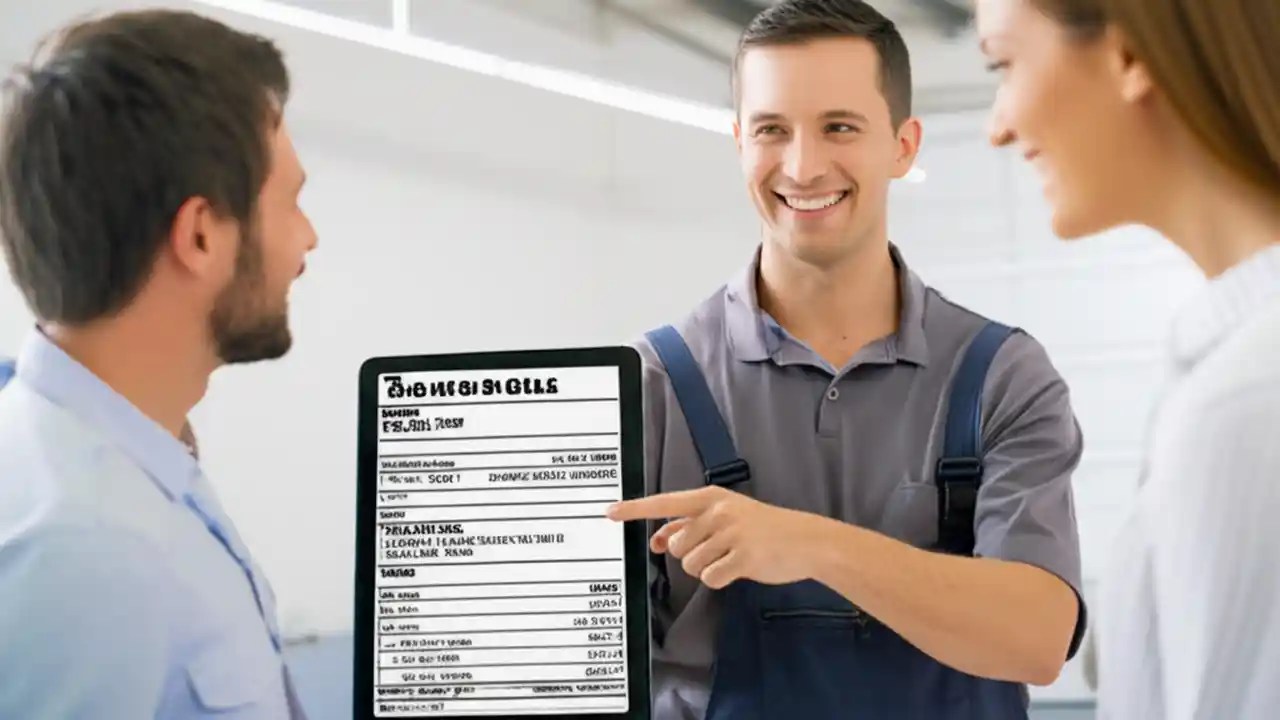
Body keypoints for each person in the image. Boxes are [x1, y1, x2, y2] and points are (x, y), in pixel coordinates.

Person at [606, 1, 1086, 718]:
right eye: (772, 130)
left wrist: (807, 544)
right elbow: (581, 659)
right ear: (740, 142)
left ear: (903, 145)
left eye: (839, 127)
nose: (802, 166)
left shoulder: (1001, 376)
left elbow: (1038, 638)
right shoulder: (648, 384)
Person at [0, 9, 317, 719]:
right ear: (200, 235)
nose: (309, 238)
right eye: (292, 203)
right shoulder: (80, 557)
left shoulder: (136, 470)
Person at [975, 0, 1280, 717]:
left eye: (1004, 63)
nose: (998, 126)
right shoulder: (1229, 368)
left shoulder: (1245, 403)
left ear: (1130, 56)